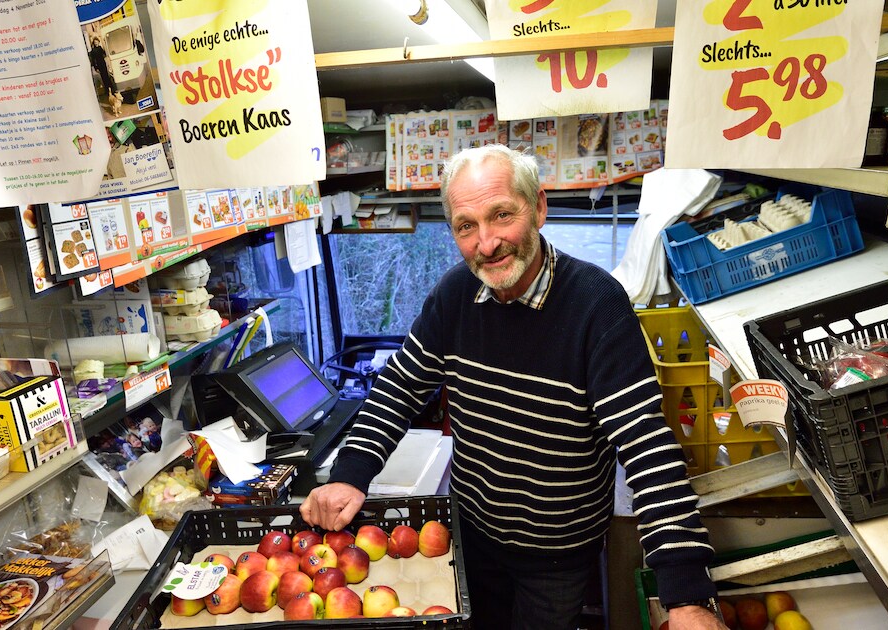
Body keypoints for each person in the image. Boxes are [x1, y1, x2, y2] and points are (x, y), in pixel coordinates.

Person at [301, 145, 724, 630]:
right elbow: (401, 385)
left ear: (539, 207)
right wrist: (350, 472)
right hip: (471, 534)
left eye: (502, 215)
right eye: (466, 225)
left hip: (558, 556)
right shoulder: (454, 295)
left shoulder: (597, 306)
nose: (486, 243)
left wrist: (686, 595)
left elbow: (646, 445)